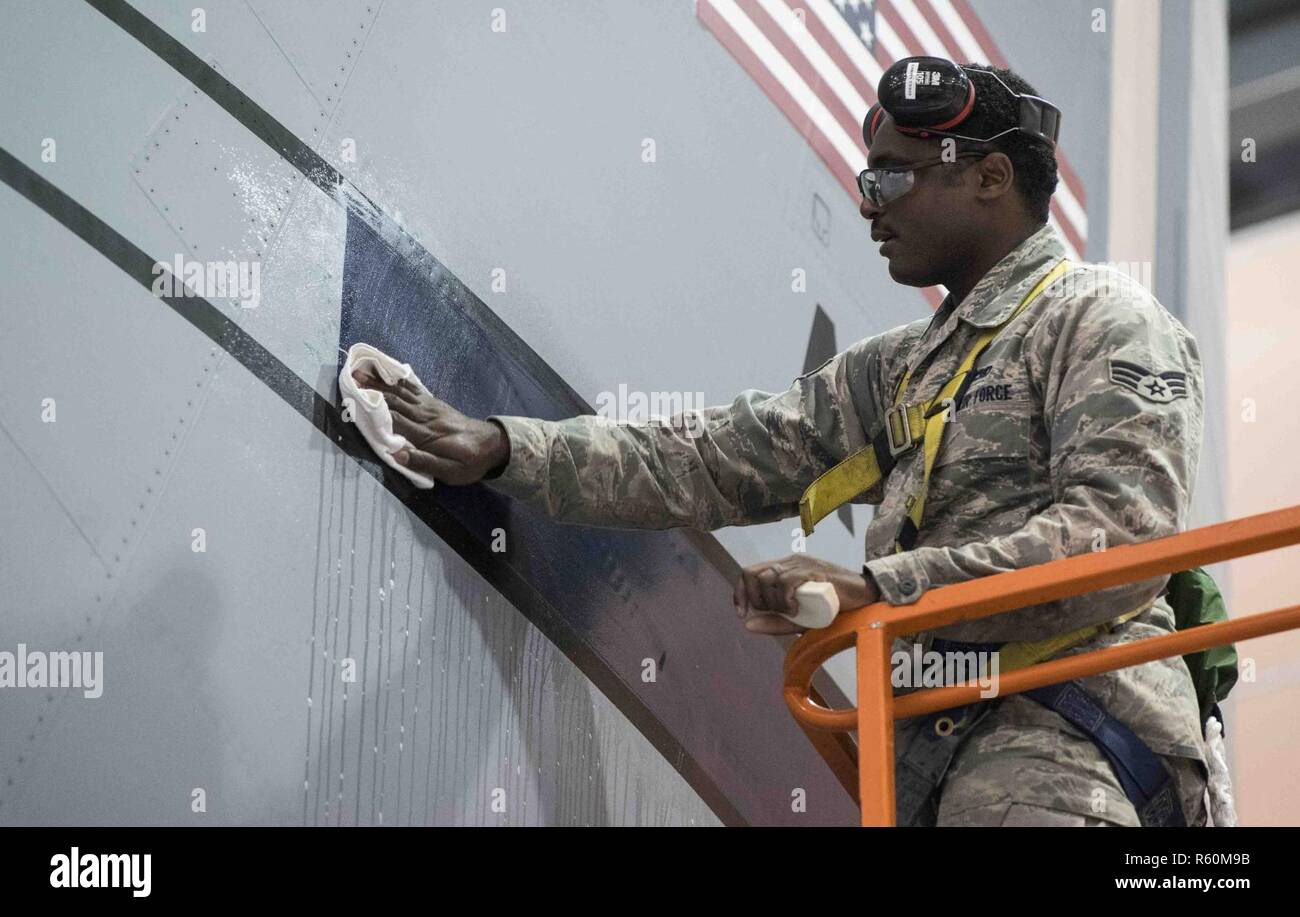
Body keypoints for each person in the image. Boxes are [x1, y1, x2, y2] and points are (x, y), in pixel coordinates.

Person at [352, 57, 1209, 827]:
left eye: (892, 180)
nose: (869, 205)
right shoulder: (908, 370)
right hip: (932, 765)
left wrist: (876, 589)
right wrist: (505, 447)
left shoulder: (1103, 319)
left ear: (990, 177)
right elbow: (711, 460)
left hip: (1073, 752)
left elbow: (1118, 545)